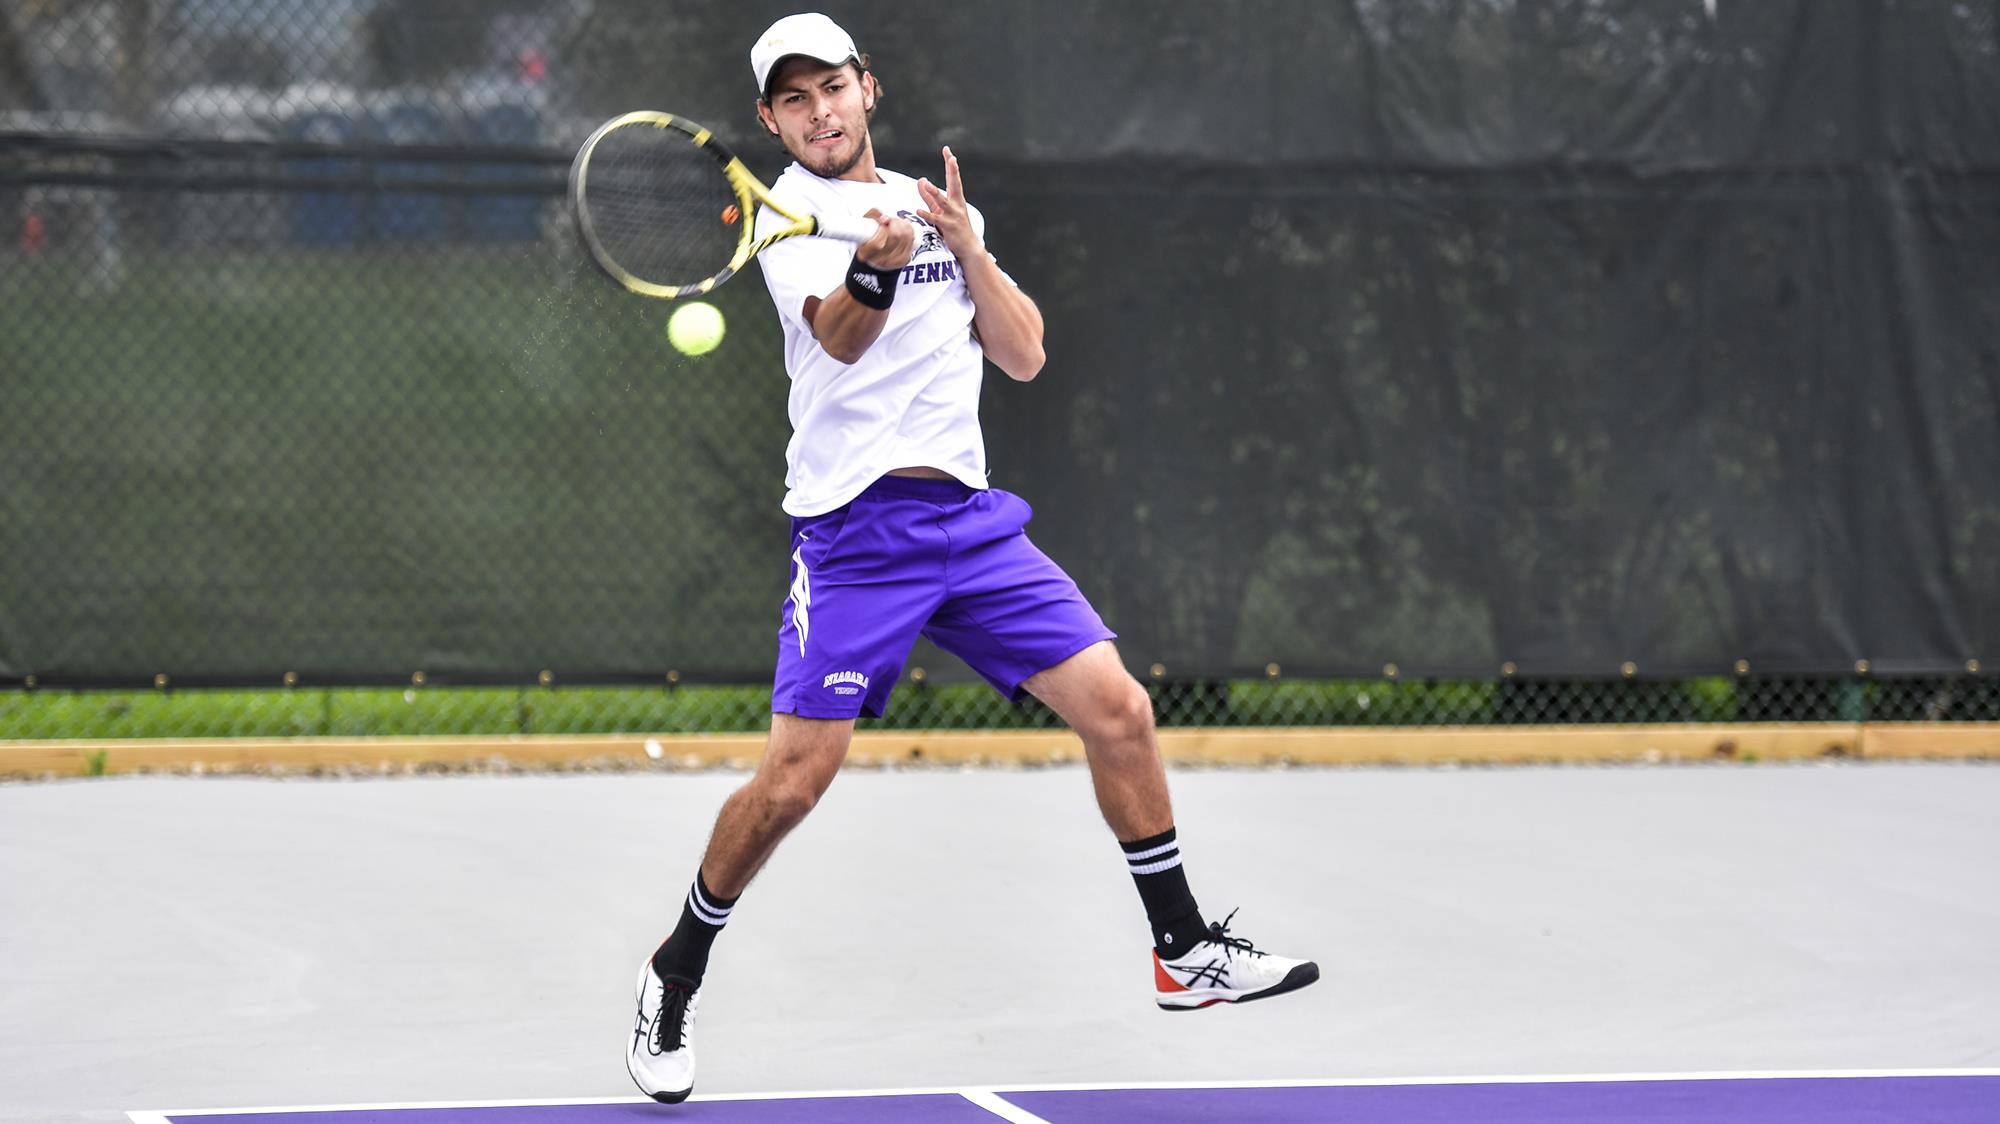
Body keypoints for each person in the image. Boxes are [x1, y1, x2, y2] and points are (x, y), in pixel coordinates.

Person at [626, 12, 1318, 1104]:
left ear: (868, 88)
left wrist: (966, 246)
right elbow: (841, 337)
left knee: (1120, 710)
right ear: (769, 119)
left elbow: (1026, 354)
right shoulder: (780, 224)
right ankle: (674, 969)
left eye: (832, 88)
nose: (819, 112)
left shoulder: (942, 207)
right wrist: (878, 269)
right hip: (854, 540)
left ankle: (1181, 950)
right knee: (795, 783)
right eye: (793, 99)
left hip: (970, 527)